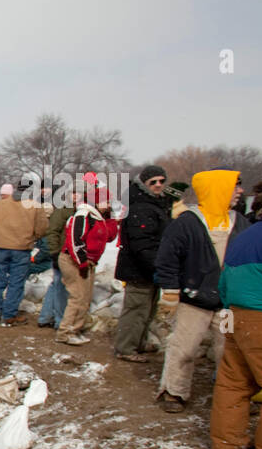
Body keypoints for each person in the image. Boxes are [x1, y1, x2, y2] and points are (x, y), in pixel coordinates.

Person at [154, 168, 251, 412]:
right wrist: (171, 290)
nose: (240, 191)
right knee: (184, 348)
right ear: (217, 190)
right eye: (234, 186)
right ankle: (174, 391)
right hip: (193, 300)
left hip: (227, 305)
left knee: (229, 349)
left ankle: (232, 392)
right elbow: (167, 258)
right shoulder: (187, 223)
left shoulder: (240, 223)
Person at [211, 183, 262, 449]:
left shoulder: (246, 233)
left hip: (236, 314)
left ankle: (227, 442)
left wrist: (229, 308)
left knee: (233, 382)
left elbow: (225, 278)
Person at [113, 166, 174, 361]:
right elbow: (142, 243)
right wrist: (157, 265)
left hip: (151, 267)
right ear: (144, 184)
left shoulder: (156, 204)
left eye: (161, 181)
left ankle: (138, 342)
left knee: (148, 309)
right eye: (153, 182)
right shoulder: (140, 207)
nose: (158, 185)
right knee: (136, 310)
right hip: (138, 268)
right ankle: (126, 348)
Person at [55, 201, 119, 344]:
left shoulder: (99, 218)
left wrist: (110, 218)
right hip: (73, 260)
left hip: (89, 262)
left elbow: (109, 236)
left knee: (85, 298)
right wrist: (82, 262)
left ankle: (75, 329)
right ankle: (65, 332)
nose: (107, 205)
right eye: (104, 202)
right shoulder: (83, 215)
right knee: (78, 296)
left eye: (109, 202)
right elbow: (74, 240)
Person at [0, 183, 48, 326]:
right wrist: (32, 237)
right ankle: (8, 316)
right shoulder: (35, 206)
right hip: (22, 248)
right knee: (16, 283)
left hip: (1, 248)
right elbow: (42, 229)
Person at [37, 187, 72, 329]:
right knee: (60, 286)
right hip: (60, 252)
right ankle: (59, 320)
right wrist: (55, 252)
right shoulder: (61, 211)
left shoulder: (54, 209)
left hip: (57, 251)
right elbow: (53, 234)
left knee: (56, 285)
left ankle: (45, 316)